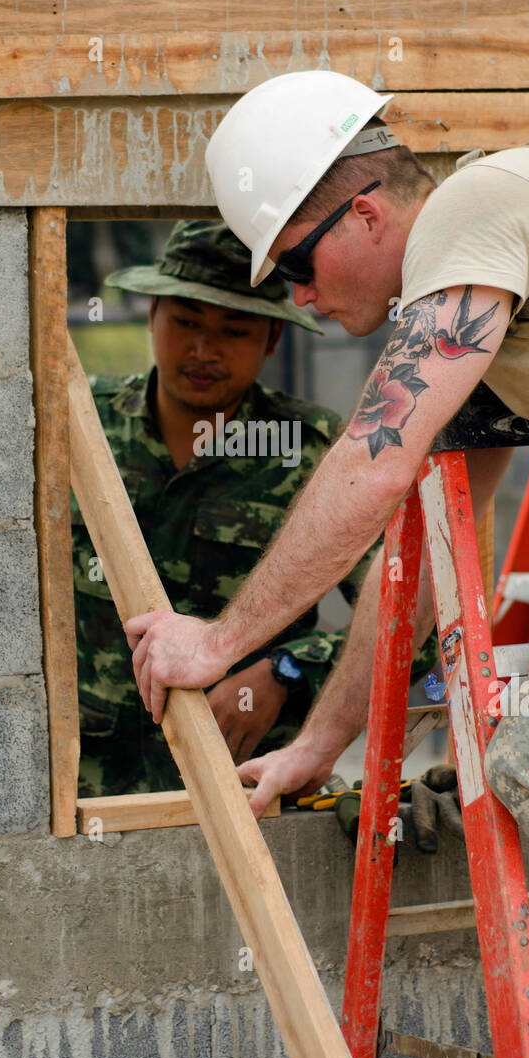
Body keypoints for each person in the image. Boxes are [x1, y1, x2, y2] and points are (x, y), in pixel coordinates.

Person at [125, 70, 529, 1001]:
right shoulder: (491, 290)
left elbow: (372, 460)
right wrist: (318, 747)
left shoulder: (478, 206)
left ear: (366, 217)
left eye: (295, 267)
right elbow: (422, 551)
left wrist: (216, 643)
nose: (296, 300)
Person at [72, 217, 438, 797]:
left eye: (235, 331)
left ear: (272, 340)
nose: (202, 350)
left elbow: (411, 616)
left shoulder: (314, 450)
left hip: (248, 786)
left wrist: (287, 672)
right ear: (152, 318)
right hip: (83, 786)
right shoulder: (80, 428)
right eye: (185, 322)